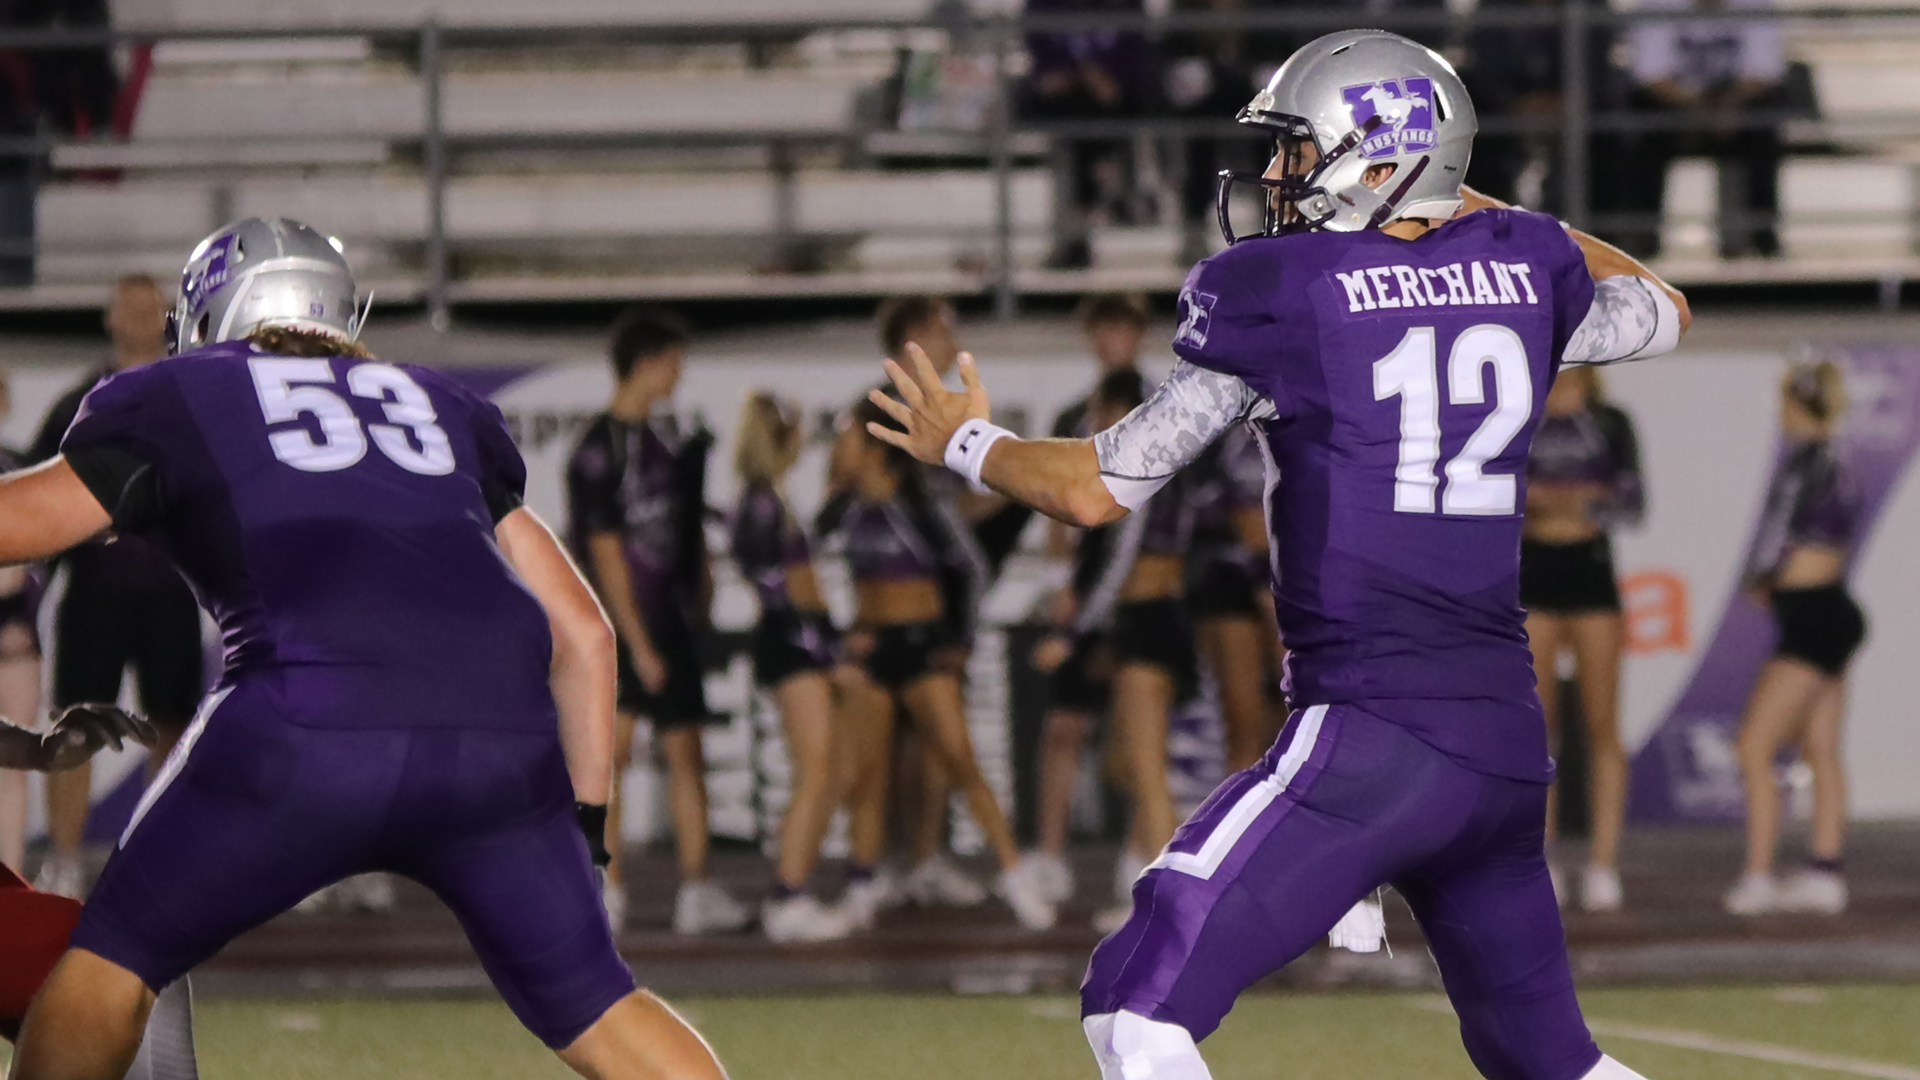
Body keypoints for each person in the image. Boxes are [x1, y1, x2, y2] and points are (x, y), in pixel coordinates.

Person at [864, 30, 1691, 1080]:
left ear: (1380, 159)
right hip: (1502, 749)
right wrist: (1477, 204)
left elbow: (1093, 487)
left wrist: (965, 443)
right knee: (1553, 1063)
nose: (1273, 178)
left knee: (1135, 1009)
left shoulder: (1286, 287)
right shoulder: (1525, 265)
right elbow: (1663, 312)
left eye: (1297, 153)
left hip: (1374, 737)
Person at [2, 217, 729, 1080]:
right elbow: (585, 634)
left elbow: (18, 527)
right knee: (604, 1010)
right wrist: (584, 833)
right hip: (499, 746)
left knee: (108, 966)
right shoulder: (442, 405)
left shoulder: (178, 393)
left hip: (307, 722)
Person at [823, 399, 1056, 932]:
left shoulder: (920, 503)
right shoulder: (845, 507)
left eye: (848, 438)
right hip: (874, 650)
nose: (839, 450)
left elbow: (970, 569)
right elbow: (828, 575)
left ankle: (1017, 878)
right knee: (867, 775)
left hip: (924, 647)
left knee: (961, 762)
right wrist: (848, 635)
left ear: (872, 444)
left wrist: (960, 640)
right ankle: (861, 891)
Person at [28, 273, 208, 901]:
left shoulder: (192, 397)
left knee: (172, 726)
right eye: (127, 305)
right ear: (108, 316)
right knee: (75, 724)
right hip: (95, 590)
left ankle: (161, 859)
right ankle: (66, 860)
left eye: (149, 305)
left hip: (169, 587)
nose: (138, 315)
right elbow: (37, 497)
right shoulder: (80, 400)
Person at [566, 306, 745, 936]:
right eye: (672, 363)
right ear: (646, 364)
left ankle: (696, 889)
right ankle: (606, 889)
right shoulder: (597, 450)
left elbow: (683, 534)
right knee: (609, 758)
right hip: (617, 628)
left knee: (685, 753)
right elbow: (607, 552)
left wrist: (696, 600)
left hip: (668, 620)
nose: (679, 374)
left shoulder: (667, 444)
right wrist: (633, 640)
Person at [825, 295, 995, 921]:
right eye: (945, 331)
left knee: (933, 747)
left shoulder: (949, 415)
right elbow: (841, 505)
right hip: (886, 607)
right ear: (915, 336)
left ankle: (922, 859)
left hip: (939, 601)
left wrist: (1010, 491)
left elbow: (951, 516)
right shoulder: (872, 410)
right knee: (880, 750)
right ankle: (883, 864)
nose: (954, 344)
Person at [1029, 368, 1195, 931]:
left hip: (1151, 623)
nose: (1093, 426)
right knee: (1124, 761)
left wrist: (1071, 638)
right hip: (1144, 624)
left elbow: (1118, 568)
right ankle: (1145, 866)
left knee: (1145, 771)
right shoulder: (1154, 468)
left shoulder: (1142, 472)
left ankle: (1172, 903)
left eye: (1103, 415)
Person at [1723, 361, 1864, 918]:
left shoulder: (1808, 462)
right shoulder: (1835, 460)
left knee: (1754, 745)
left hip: (1813, 617)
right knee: (1822, 747)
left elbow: (1778, 535)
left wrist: (1761, 580)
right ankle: (1825, 873)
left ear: (1797, 405)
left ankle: (1758, 875)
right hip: (1827, 610)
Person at [730, 392, 857, 944]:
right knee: (817, 771)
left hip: (796, 645)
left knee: (827, 772)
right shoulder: (761, 505)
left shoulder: (772, 500)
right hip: (791, 648)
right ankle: (788, 897)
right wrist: (826, 657)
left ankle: (793, 889)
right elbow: (783, 596)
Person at [1521, 365, 1644, 913]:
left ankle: (1602, 863)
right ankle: (1538, 860)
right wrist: (1571, 498)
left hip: (1592, 576)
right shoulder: (1520, 411)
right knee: (1534, 729)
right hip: (1534, 577)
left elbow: (1631, 502)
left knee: (1602, 725)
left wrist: (1559, 501)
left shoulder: (1611, 421)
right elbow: (1504, 500)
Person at [1622, 0, 1786, 258]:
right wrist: (1699, 108)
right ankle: (1643, 236)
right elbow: (1652, 77)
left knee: (1764, 127)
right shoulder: (1657, 5)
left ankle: (1762, 235)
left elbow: (1764, 73)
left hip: (1737, 109)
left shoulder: (1755, 4)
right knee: (1645, 131)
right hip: (1674, 108)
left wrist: (1728, 105)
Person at [0, 369, 42, 872]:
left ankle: (10, 873)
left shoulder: (20, 470)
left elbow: (36, 562)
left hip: (14, 644)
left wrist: (17, 622)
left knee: (12, 763)